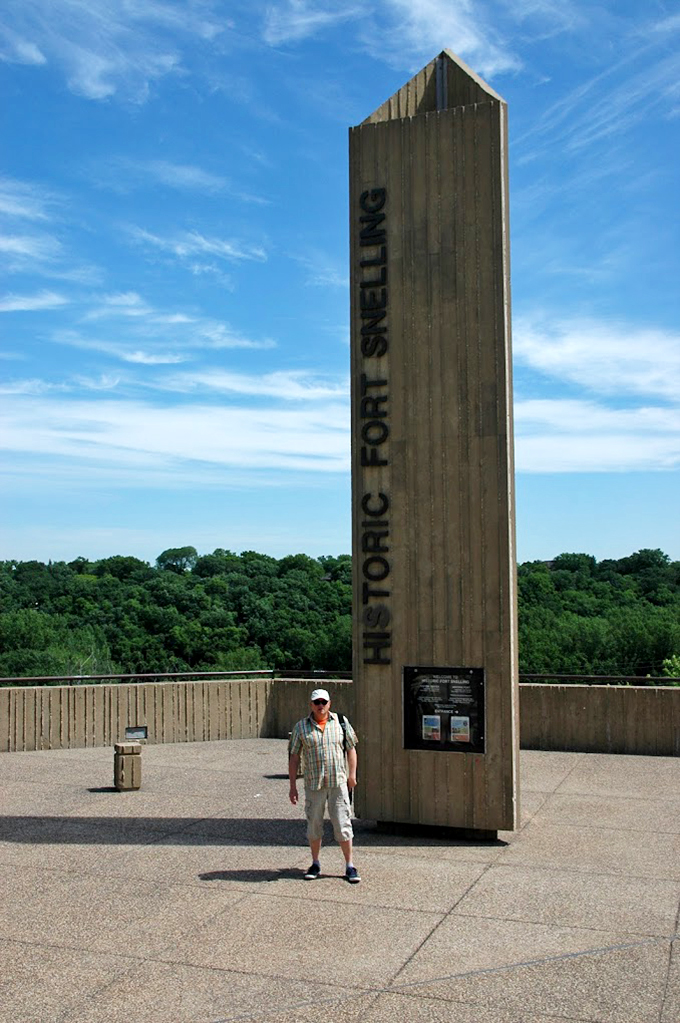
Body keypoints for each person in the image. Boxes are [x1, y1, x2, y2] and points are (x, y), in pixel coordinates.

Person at [288, 688, 360, 883]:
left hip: (338, 783)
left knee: (343, 824)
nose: (320, 706)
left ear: (329, 703)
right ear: (311, 705)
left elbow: (351, 750)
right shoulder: (301, 727)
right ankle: (315, 862)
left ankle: (349, 865)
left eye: (323, 702)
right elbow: (294, 757)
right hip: (314, 784)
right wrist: (292, 785)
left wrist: (352, 775)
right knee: (314, 825)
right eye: (316, 702)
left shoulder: (341, 723)